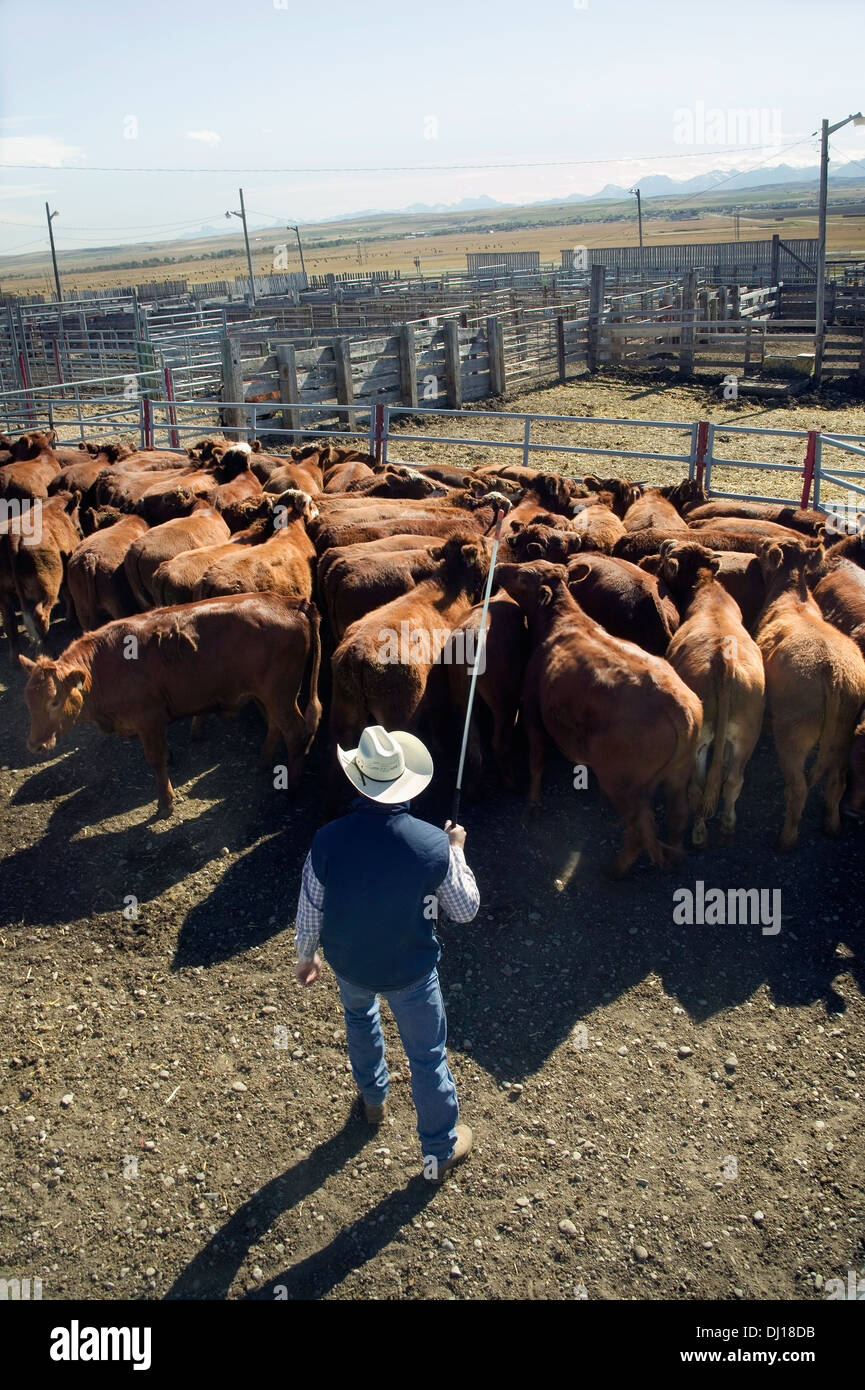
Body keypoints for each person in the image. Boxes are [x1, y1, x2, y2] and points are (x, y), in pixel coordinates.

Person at [294, 724, 480, 1179]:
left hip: (350, 966)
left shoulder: (327, 839)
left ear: (358, 778)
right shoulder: (433, 845)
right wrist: (454, 851)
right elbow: (466, 910)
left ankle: (374, 1100)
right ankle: (439, 1147)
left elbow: (310, 903)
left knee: (359, 1019)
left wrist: (307, 954)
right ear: (402, 781)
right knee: (428, 1055)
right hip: (412, 971)